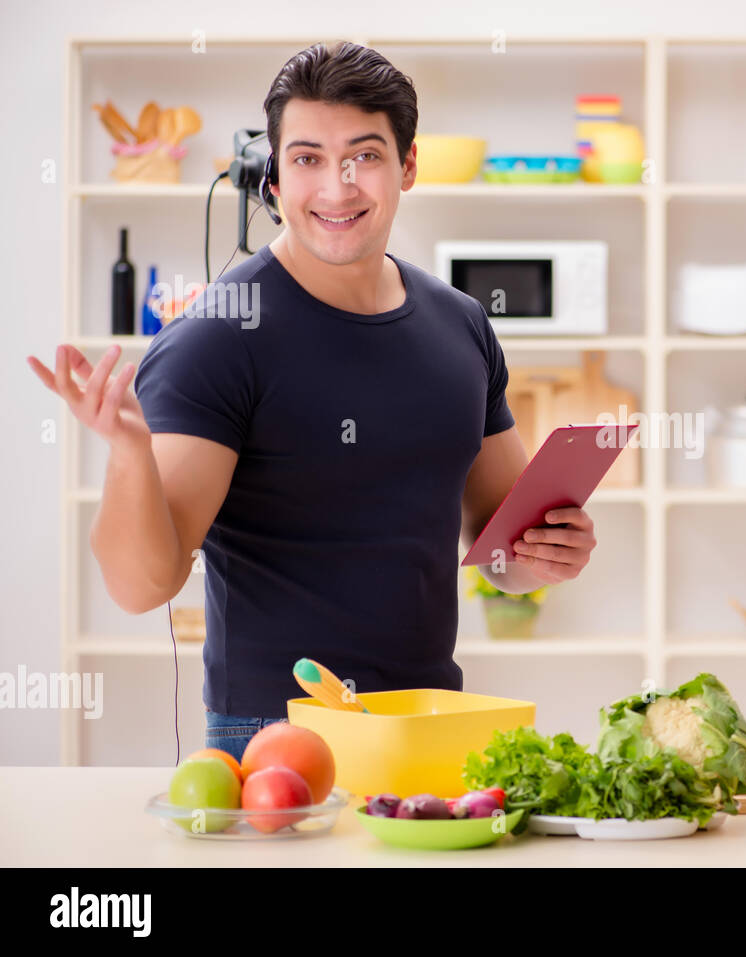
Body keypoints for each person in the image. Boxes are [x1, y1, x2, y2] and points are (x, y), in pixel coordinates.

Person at [28, 42, 597, 761]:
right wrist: (129, 454)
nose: (337, 186)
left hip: (432, 719)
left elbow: (500, 547)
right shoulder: (218, 339)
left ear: (408, 167)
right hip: (275, 737)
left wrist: (545, 554)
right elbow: (139, 586)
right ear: (274, 175)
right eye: (307, 159)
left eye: (363, 155)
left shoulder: (461, 324)